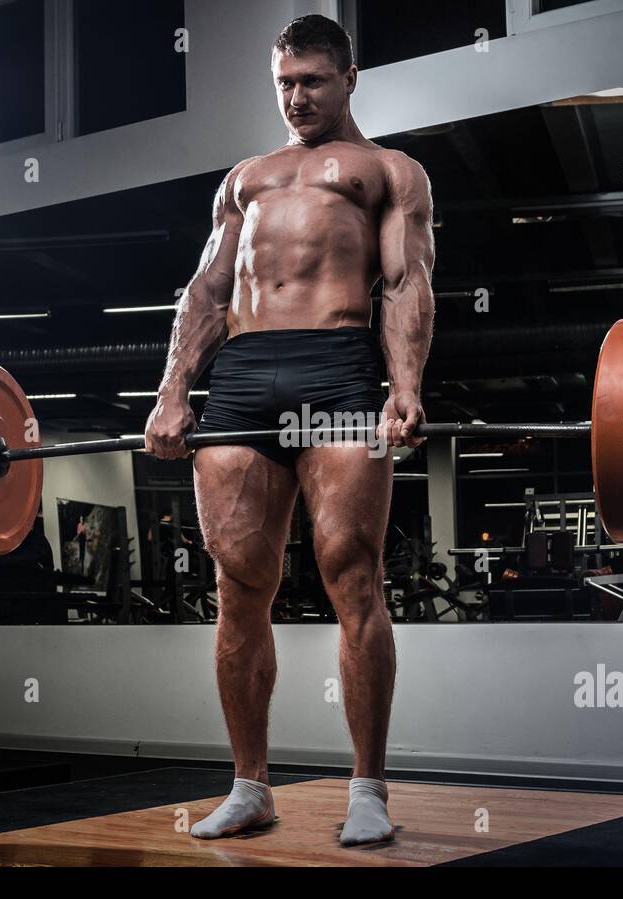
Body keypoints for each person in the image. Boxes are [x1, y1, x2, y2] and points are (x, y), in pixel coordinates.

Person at [143, 14, 435, 845]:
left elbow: (405, 278)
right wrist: (172, 391)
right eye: (284, 83)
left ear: (349, 77)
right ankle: (249, 785)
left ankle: (368, 789)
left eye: (311, 80)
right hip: (241, 378)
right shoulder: (246, 178)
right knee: (239, 587)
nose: (296, 97)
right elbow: (203, 290)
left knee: (354, 575)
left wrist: (405, 385)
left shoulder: (387, 170)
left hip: (339, 367)